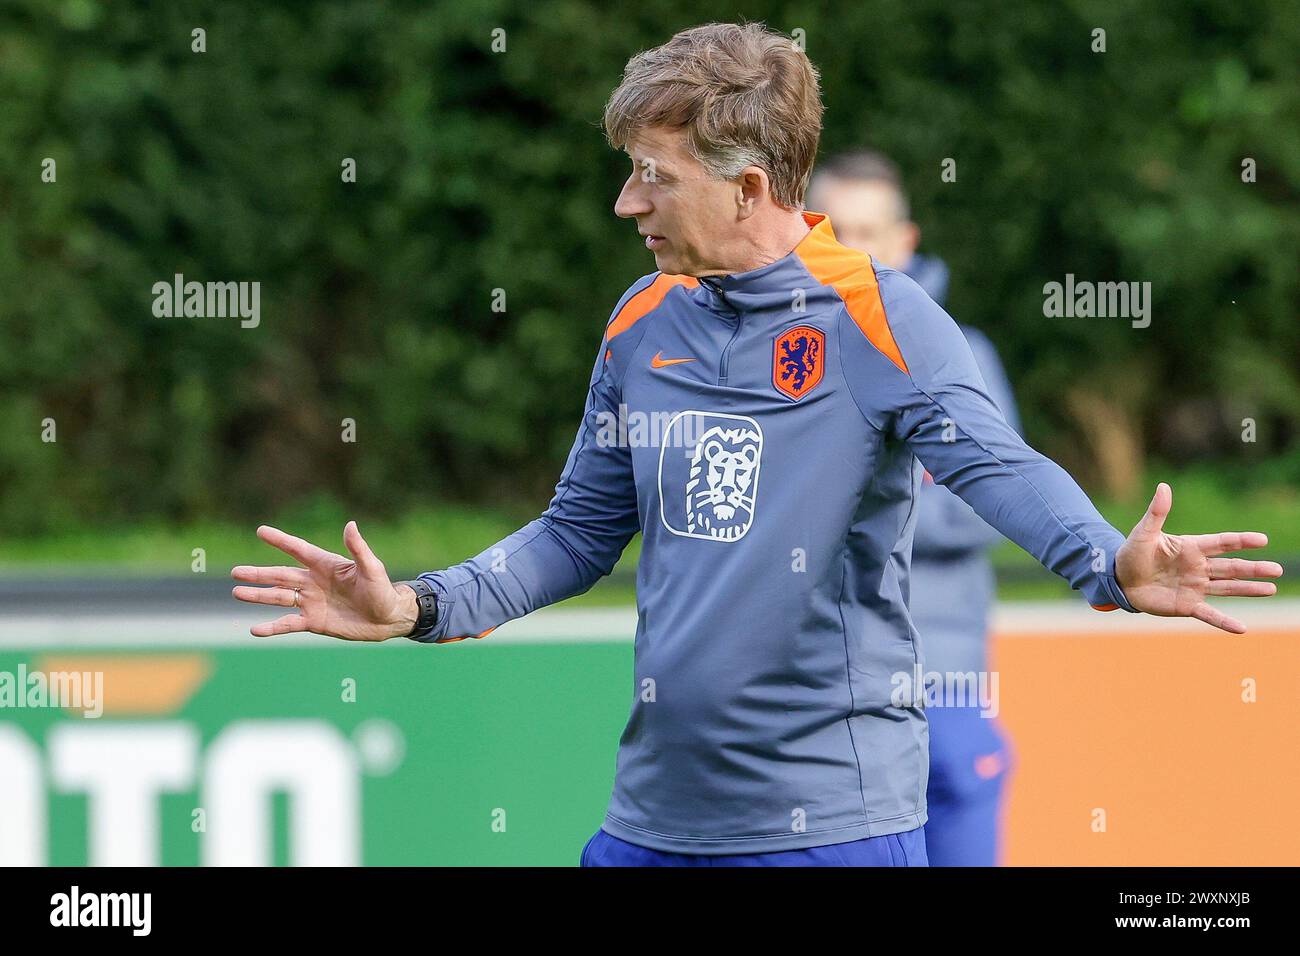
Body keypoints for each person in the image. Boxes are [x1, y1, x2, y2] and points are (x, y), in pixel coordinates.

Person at [231, 23, 1281, 867]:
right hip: (649, 822)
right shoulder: (641, 320)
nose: (625, 200)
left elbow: (999, 468)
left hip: (830, 830)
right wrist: (419, 604)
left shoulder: (883, 318)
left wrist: (1107, 560)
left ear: (747, 188)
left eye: (652, 175)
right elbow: (577, 533)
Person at [809, 151, 1019, 866]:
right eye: (835, 228)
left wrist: (839, 507)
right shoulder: (777, 355)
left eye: (869, 229)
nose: (853, 247)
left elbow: (985, 503)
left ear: (905, 241)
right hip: (821, 688)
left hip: (943, 674)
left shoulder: (960, 354)